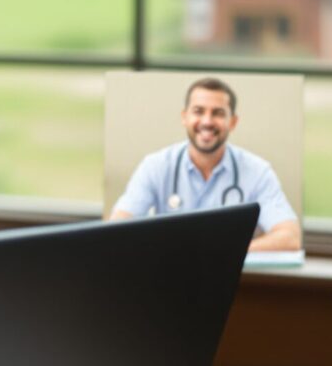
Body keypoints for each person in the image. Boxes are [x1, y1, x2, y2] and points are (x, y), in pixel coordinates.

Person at [107, 77, 302, 252]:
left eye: (218, 113)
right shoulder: (156, 166)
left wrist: (230, 252)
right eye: (198, 111)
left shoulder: (258, 172)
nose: (207, 121)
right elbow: (116, 229)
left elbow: (290, 237)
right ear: (185, 117)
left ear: (232, 122)